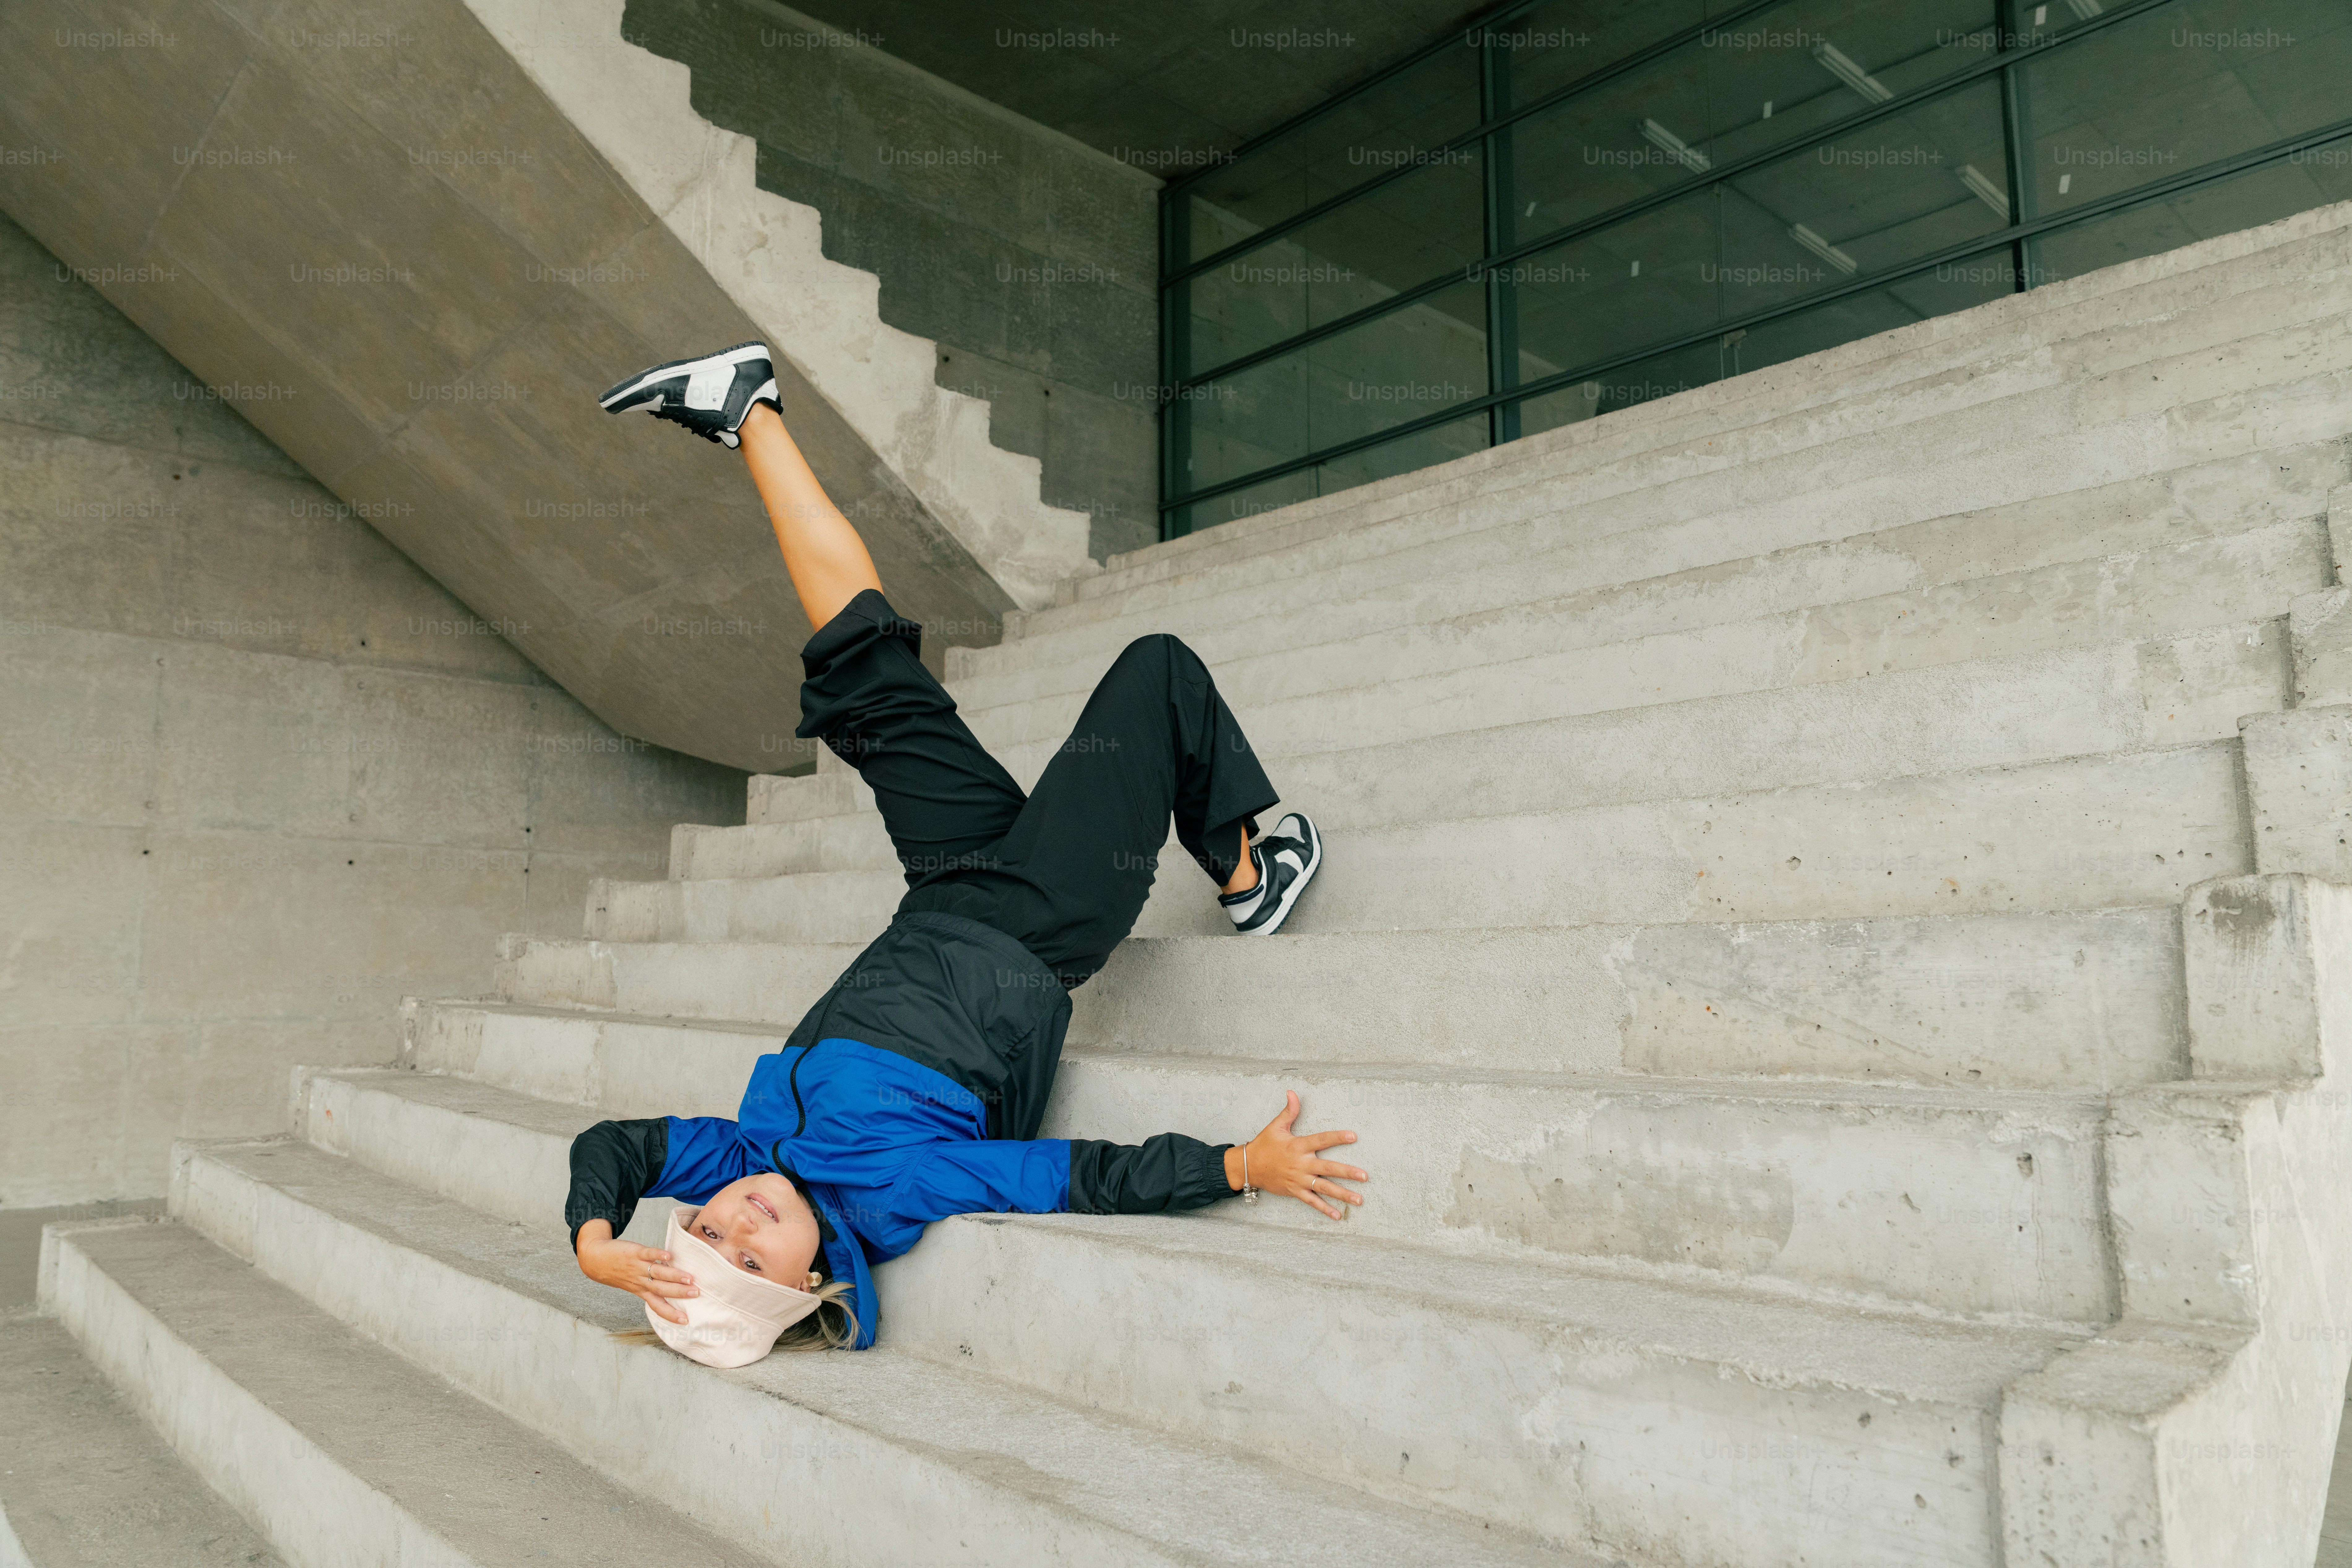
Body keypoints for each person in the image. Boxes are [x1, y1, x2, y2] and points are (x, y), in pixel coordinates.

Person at [563, 342, 1363, 1367]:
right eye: (751, 1260)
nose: (737, 1223)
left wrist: (594, 1239)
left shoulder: (744, 1155)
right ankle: (1251, 868)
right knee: (1157, 675)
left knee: (868, 677)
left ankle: (748, 413)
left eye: (706, 1230)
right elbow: (1072, 1178)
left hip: (943, 892)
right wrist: (1239, 1167)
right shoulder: (899, 1191)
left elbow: (618, 1148)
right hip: (1038, 925)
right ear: (816, 1280)